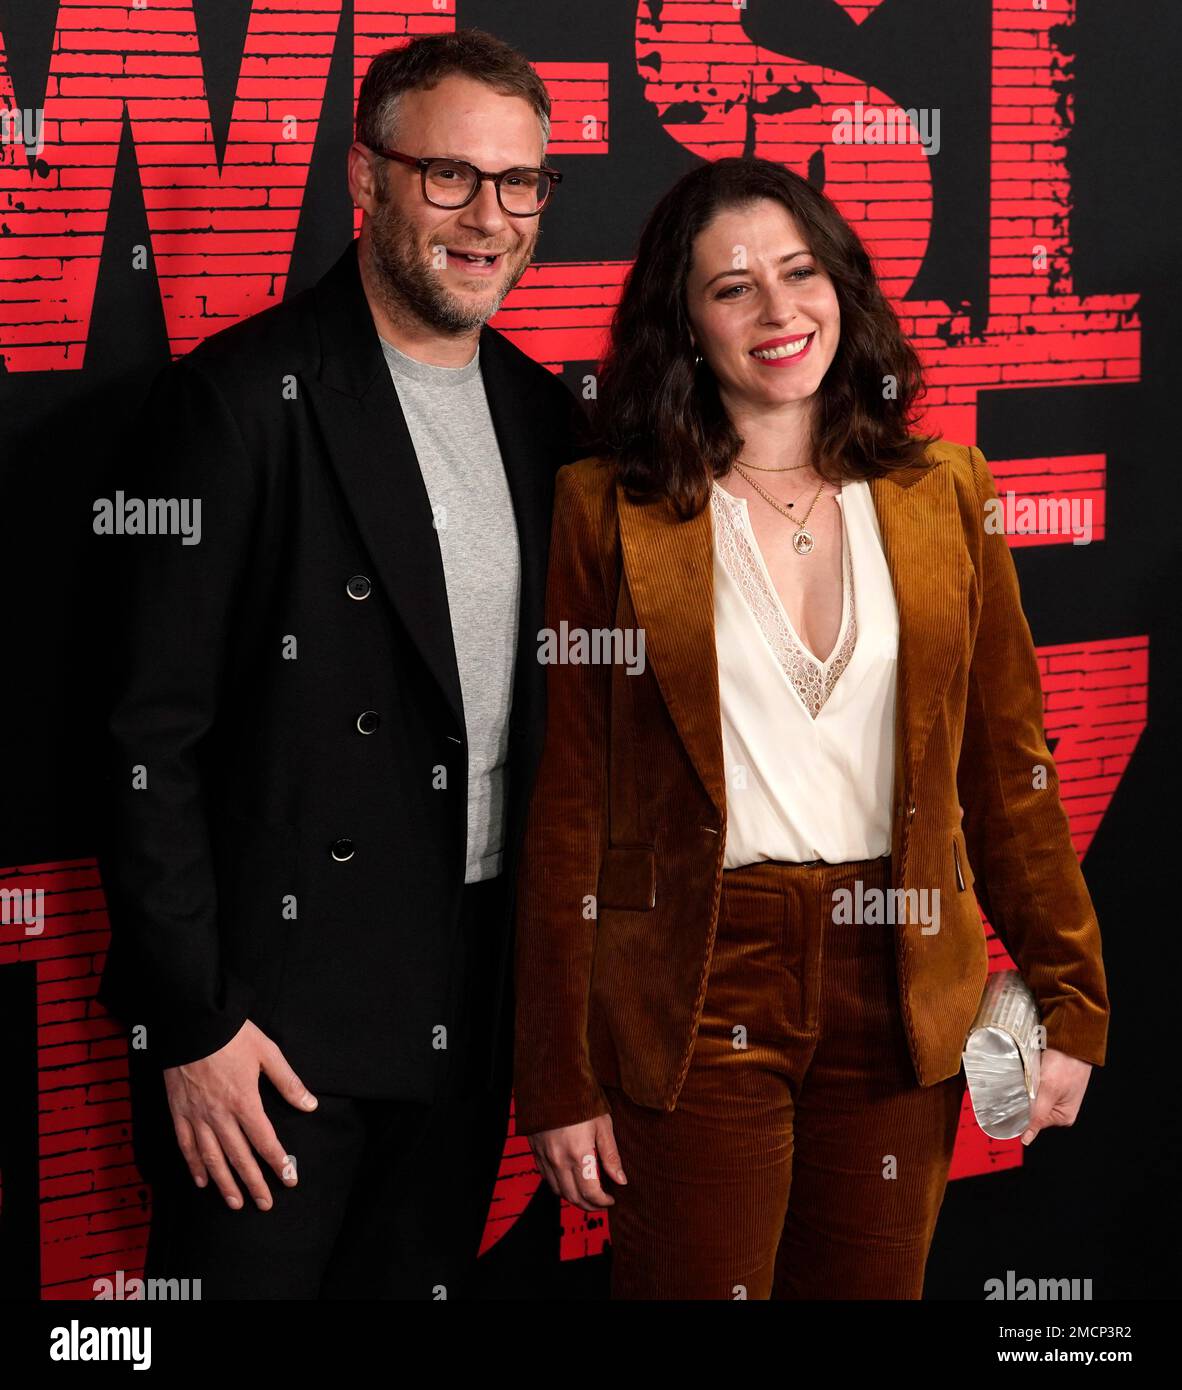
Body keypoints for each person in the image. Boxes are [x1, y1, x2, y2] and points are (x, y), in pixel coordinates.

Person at [512, 157, 1110, 1300]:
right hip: (696, 979)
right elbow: (570, 801)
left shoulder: (947, 491)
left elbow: (1010, 766)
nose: (779, 310)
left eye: (800, 272)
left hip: (897, 972)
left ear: (843, 285)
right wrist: (555, 1074)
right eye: (732, 288)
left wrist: (1071, 995)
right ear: (684, 326)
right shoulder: (607, 510)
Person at [96, 29, 581, 1299]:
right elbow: (145, 740)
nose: (490, 217)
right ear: (363, 182)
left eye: (520, 182)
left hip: (466, 1020)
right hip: (268, 1044)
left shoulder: (547, 419)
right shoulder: (239, 402)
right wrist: (194, 1025)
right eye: (450, 178)